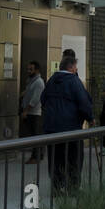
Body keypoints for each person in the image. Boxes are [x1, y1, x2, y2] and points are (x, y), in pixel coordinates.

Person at [39, 55, 94, 191]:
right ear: (71, 67)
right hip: (70, 127)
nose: (76, 69)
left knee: (55, 158)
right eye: (75, 67)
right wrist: (90, 117)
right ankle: (73, 186)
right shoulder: (74, 81)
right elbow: (84, 102)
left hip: (51, 127)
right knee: (74, 157)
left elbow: (43, 99)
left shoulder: (51, 80)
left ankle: (57, 187)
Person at [19, 60, 45, 164]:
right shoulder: (31, 81)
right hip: (31, 113)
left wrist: (25, 111)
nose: (28, 71)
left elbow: (35, 99)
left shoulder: (39, 82)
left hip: (34, 113)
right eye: (28, 69)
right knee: (35, 135)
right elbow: (29, 91)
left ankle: (35, 157)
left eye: (31, 69)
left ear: (37, 70)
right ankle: (39, 155)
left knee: (35, 136)